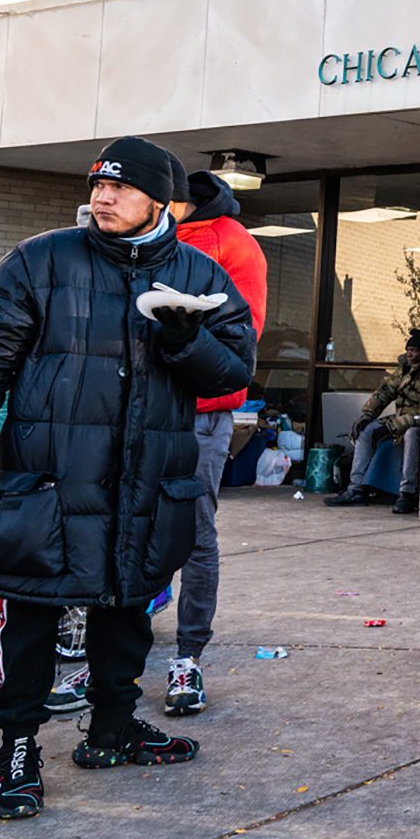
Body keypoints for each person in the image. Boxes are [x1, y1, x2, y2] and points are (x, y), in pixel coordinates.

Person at [0, 136, 255, 821]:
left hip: (148, 479)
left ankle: (113, 726)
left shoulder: (198, 273)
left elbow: (234, 370)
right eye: (97, 185)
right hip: (50, 476)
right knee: (31, 613)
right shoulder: (43, 260)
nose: (102, 196)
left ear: (159, 201)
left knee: (128, 604)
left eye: (120, 187)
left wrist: (183, 340)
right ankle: (17, 748)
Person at [165, 164, 270, 714]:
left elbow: (239, 342)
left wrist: (174, 347)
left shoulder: (235, 245)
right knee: (125, 528)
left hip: (202, 414)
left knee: (195, 531)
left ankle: (188, 657)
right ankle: (110, 649)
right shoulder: (145, 238)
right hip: (140, 409)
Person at [328, 330, 420, 510]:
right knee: (366, 431)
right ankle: (356, 489)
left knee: (411, 435)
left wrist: (395, 426)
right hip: (399, 418)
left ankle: (407, 493)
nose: (410, 353)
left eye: (414, 350)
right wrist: (367, 415)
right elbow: (384, 393)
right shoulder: (402, 370)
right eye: (408, 349)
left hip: (419, 421)